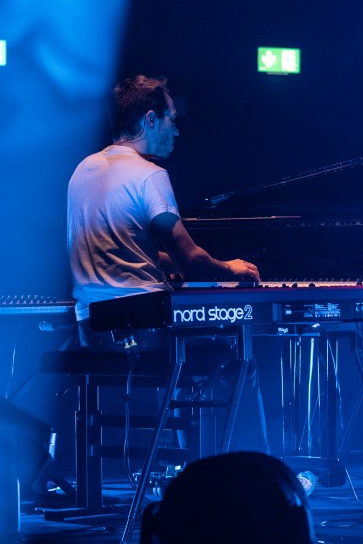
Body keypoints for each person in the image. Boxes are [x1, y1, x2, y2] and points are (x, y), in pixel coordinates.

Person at [68, 75, 260, 350]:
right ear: (150, 120)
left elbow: (114, 249)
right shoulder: (149, 175)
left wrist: (165, 263)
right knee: (238, 352)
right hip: (145, 325)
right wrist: (230, 268)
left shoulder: (83, 171)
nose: (176, 131)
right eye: (171, 119)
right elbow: (191, 261)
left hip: (92, 330)